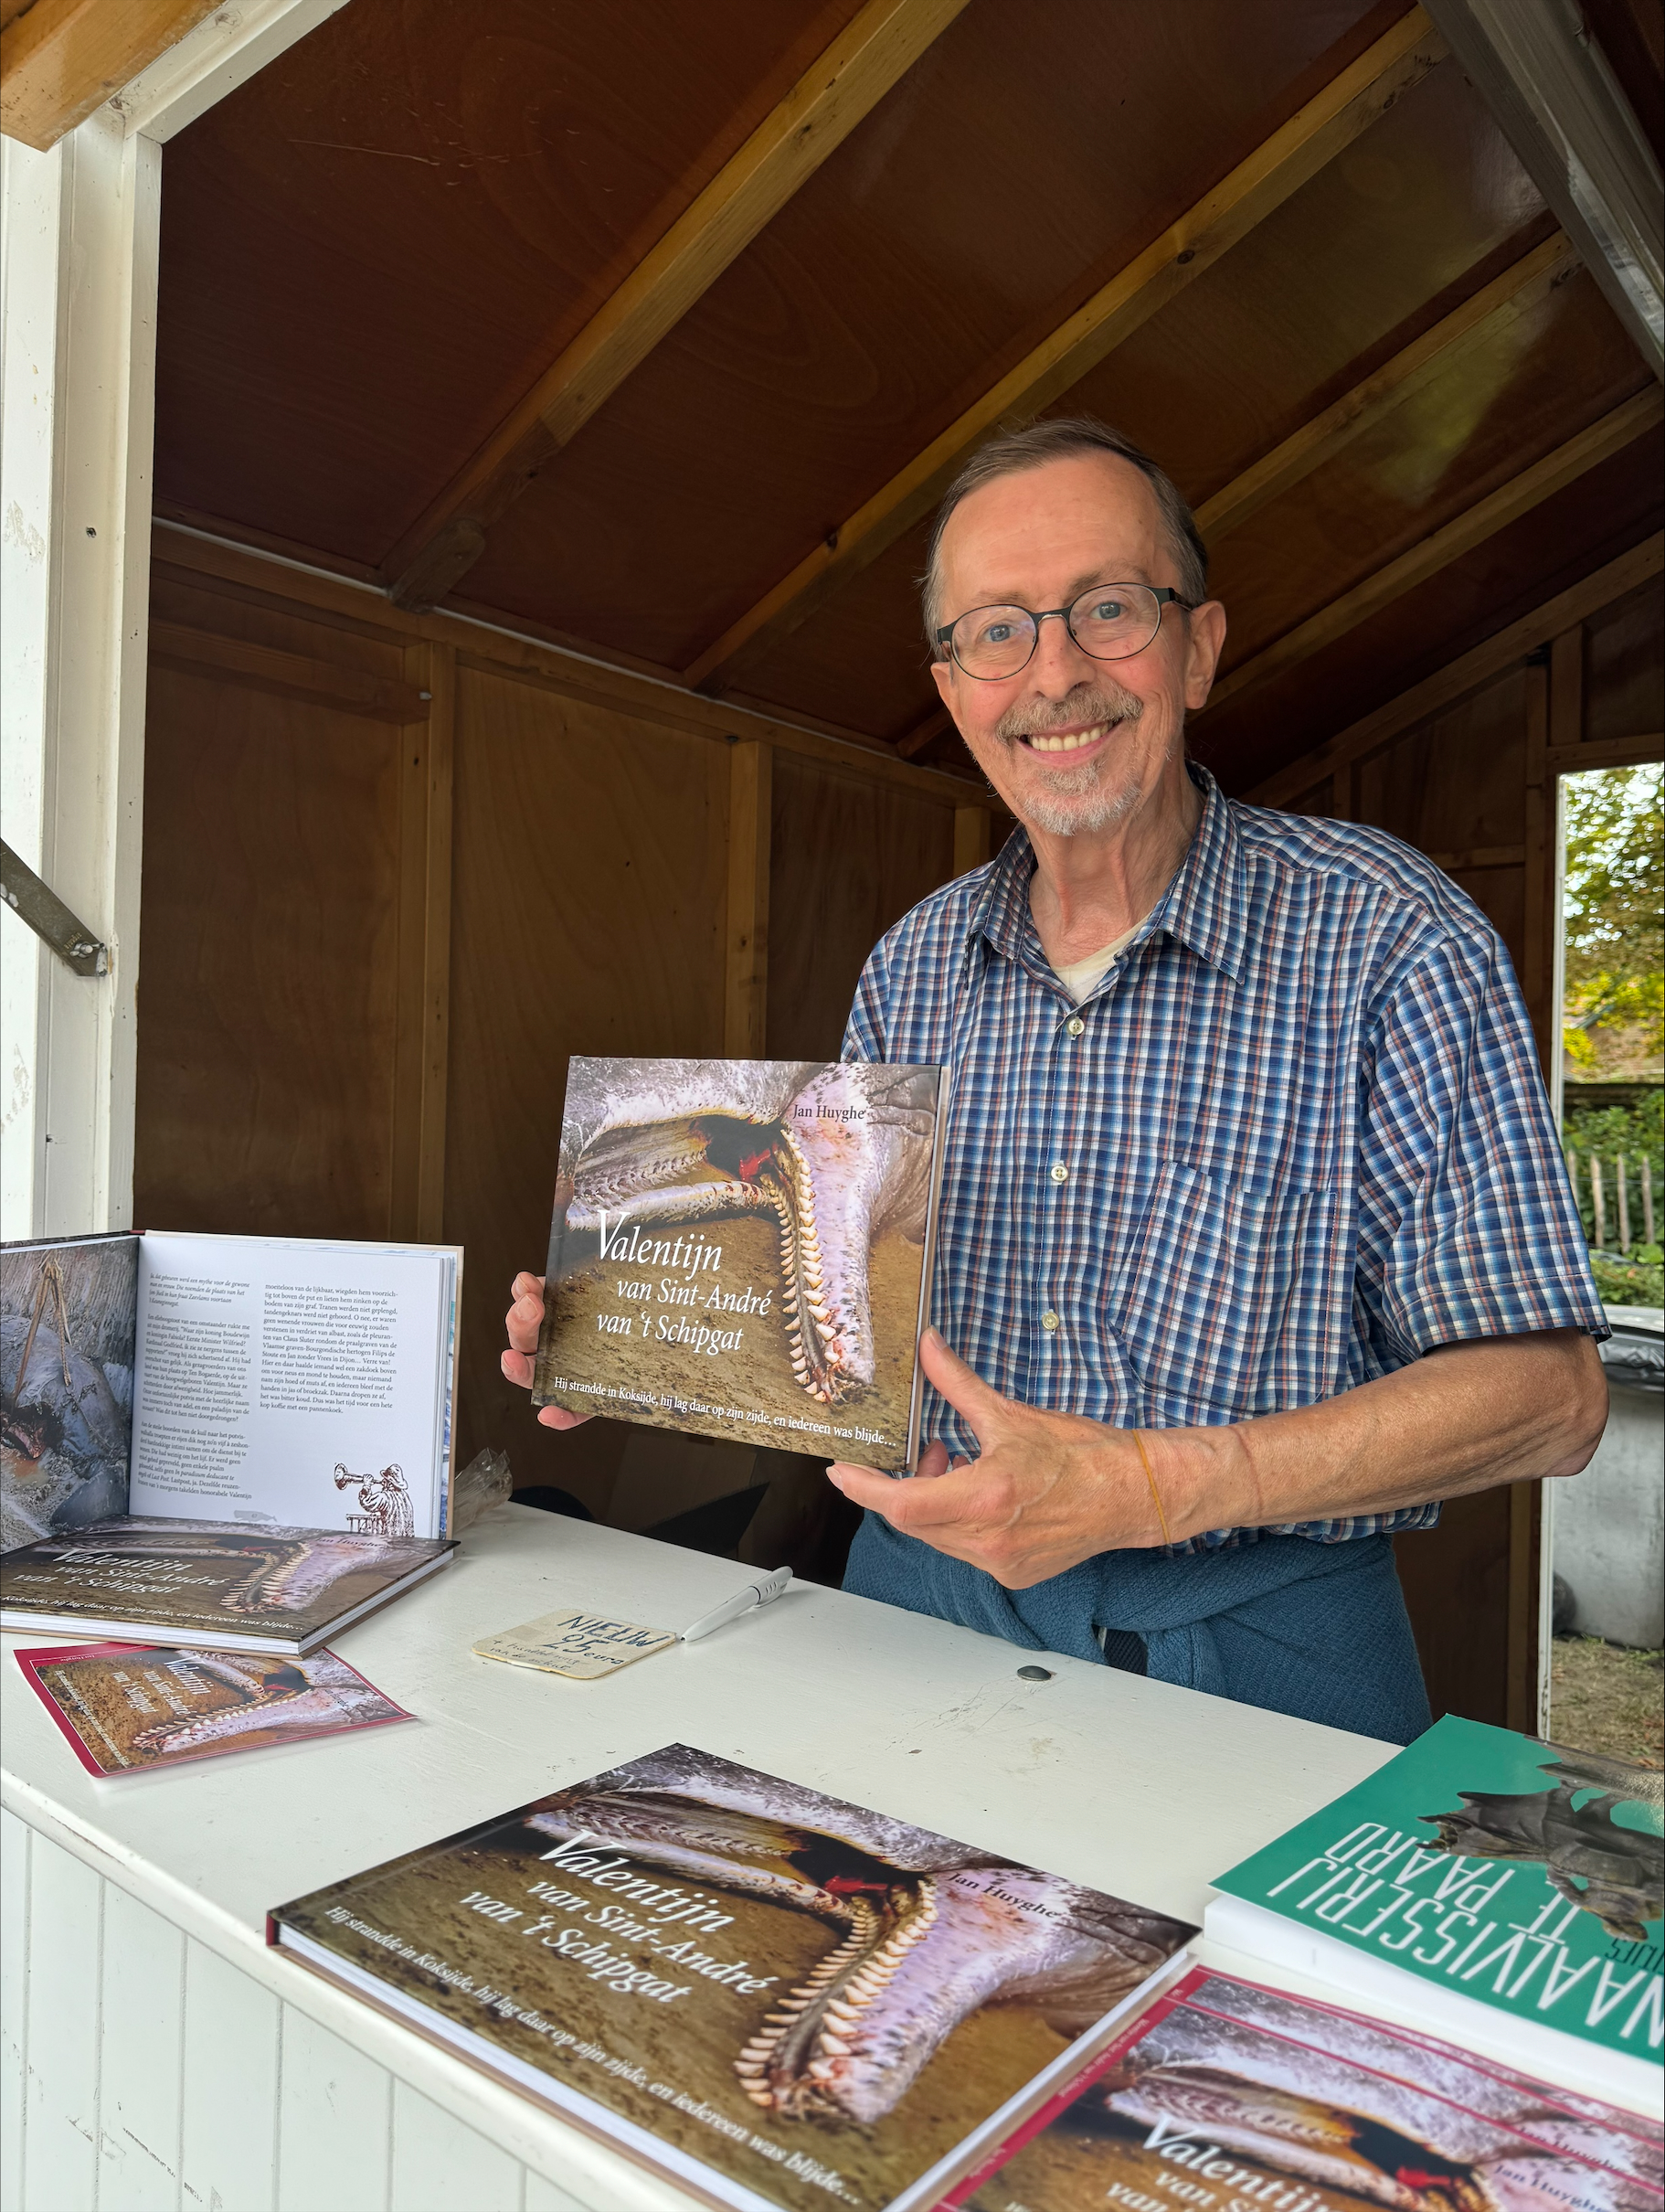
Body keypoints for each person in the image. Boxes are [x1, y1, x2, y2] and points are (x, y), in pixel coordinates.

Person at [504, 417, 1607, 1742]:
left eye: (1108, 609)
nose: (1055, 673)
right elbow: (846, 1316)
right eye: (997, 631)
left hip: (1260, 1643)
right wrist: (648, 1340)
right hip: (918, 1607)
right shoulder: (911, 961)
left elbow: (1549, 1401)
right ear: (956, 684)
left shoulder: (1390, 936)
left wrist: (1148, 1486)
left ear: (1196, 647)